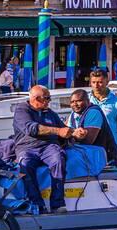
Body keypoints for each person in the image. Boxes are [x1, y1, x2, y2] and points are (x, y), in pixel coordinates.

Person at [13, 85, 76, 214]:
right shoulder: (22, 110)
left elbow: (63, 130)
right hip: (27, 147)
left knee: (58, 159)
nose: (49, 101)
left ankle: (57, 204)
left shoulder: (50, 113)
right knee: (25, 165)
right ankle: (37, 204)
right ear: (36, 98)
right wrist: (58, 131)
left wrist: (74, 133)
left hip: (48, 147)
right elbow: (31, 128)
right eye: (47, 98)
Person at [64, 89, 117, 168]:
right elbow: (66, 132)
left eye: (79, 101)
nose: (75, 104)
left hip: (106, 161)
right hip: (90, 159)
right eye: (72, 102)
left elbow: (88, 141)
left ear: (87, 101)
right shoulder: (73, 114)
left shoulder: (93, 112)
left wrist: (71, 135)